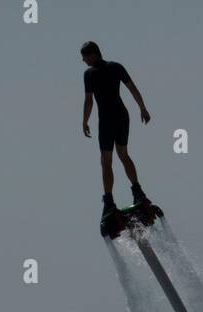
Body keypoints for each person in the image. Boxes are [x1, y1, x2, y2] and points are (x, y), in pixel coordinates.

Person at [81, 41, 152, 222]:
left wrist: (85, 121)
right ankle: (138, 192)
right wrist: (142, 108)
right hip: (121, 116)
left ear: (93, 54)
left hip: (107, 121)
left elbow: (89, 101)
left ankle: (109, 201)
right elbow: (133, 88)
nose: (83, 60)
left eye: (85, 57)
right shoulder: (115, 66)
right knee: (123, 155)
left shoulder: (89, 74)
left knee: (106, 161)